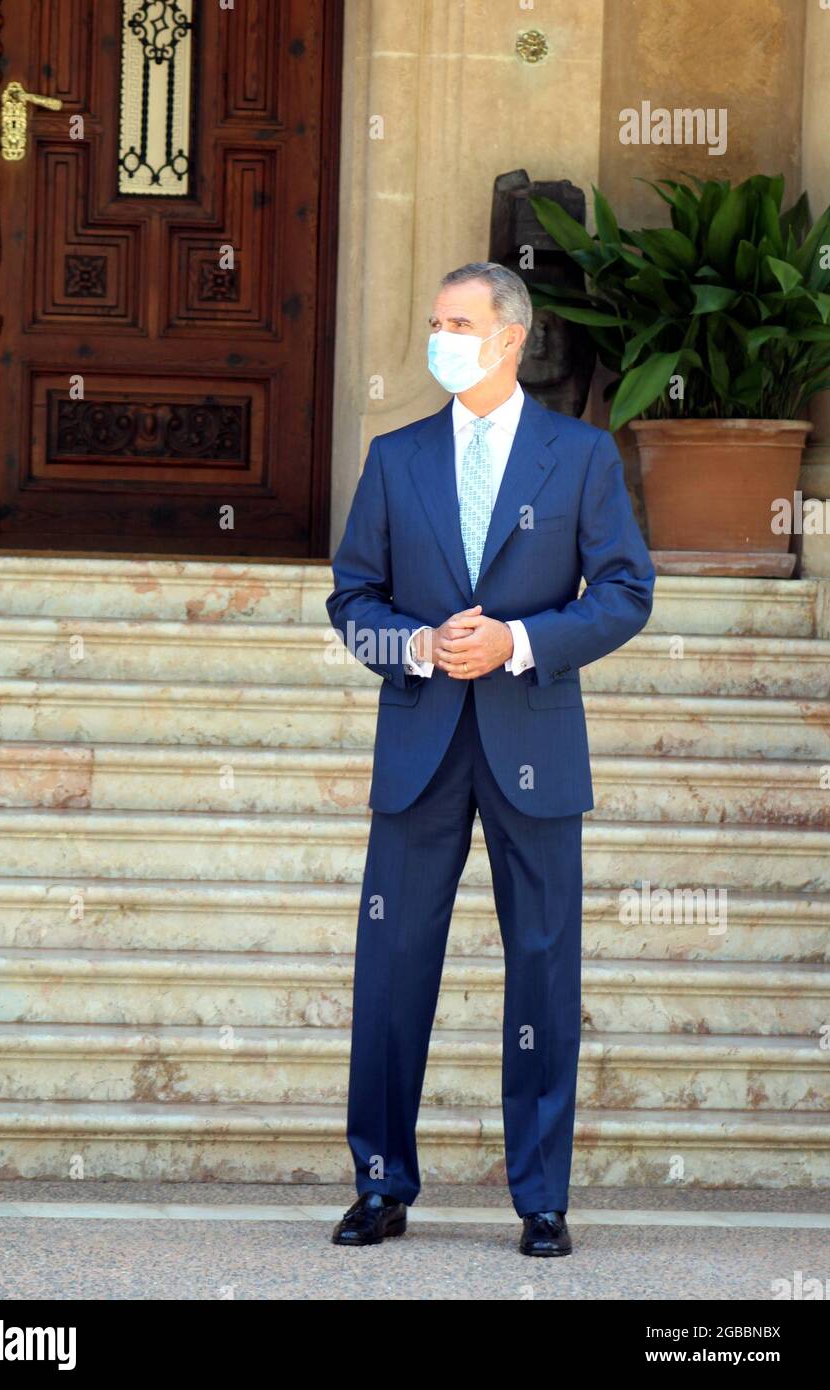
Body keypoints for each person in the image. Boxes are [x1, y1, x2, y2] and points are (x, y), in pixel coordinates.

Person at [326, 262, 655, 1255]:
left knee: (544, 970)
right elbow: (352, 599)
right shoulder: (395, 457)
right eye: (435, 321)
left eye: (458, 323)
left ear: (510, 337)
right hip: (419, 743)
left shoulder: (580, 456)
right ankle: (380, 1182)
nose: (441, 337)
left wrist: (516, 641)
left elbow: (624, 591)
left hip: (534, 741)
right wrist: (419, 645)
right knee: (391, 968)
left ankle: (542, 1199)